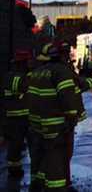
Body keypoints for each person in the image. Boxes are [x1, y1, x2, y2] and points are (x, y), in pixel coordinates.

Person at [26, 42, 85, 192]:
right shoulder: (61, 72)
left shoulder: (38, 72)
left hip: (37, 124)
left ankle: (38, 184)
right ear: (61, 56)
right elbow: (68, 97)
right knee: (57, 158)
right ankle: (58, 187)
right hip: (56, 125)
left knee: (40, 156)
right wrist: (72, 118)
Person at [2, 49, 33, 180]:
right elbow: (23, 87)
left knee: (20, 144)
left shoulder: (10, 76)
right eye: (27, 62)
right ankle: (14, 169)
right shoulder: (17, 78)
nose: (29, 64)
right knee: (17, 145)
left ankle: (16, 168)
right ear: (22, 63)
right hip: (17, 118)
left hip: (19, 117)